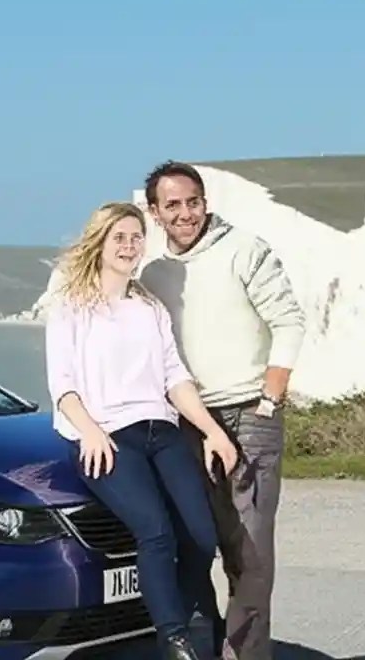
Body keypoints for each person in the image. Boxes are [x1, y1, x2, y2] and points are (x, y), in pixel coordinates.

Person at [44, 201, 240, 660]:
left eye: (136, 238)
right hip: (109, 438)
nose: (130, 246)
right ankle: (174, 639)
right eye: (120, 238)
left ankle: (191, 610)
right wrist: (90, 431)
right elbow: (63, 385)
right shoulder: (71, 305)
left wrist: (212, 431)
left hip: (162, 431)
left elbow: (175, 377)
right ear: (100, 242)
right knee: (155, 533)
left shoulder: (149, 306)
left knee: (202, 537)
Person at [139, 161, 306, 660]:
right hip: (184, 422)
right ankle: (201, 648)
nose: (186, 213)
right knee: (191, 546)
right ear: (155, 213)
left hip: (248, 414)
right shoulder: (152, 274)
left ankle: (249, 655)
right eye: (173, 205)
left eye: (193, 201)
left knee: (248, 552)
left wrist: (268, 402)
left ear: (205, 202)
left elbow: (290, 323)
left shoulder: (245, 250)